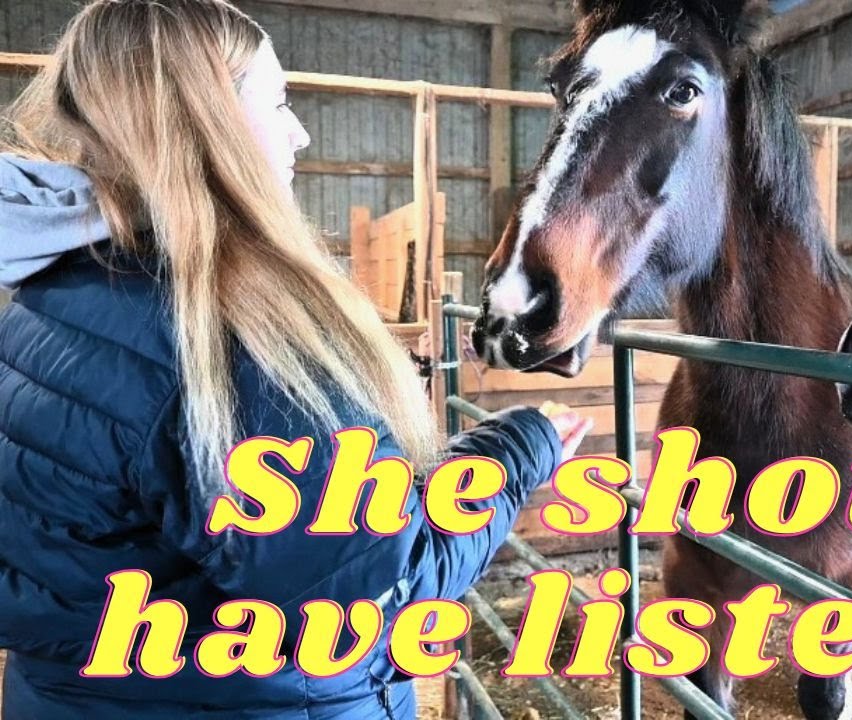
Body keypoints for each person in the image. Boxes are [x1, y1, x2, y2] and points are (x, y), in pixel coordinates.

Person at [0, 1, 590, 717]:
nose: (300, 131)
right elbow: (376, 589)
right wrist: (517, 449)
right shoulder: (237, 341)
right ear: (204, 123)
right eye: (277, 102)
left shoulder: (49, 294)